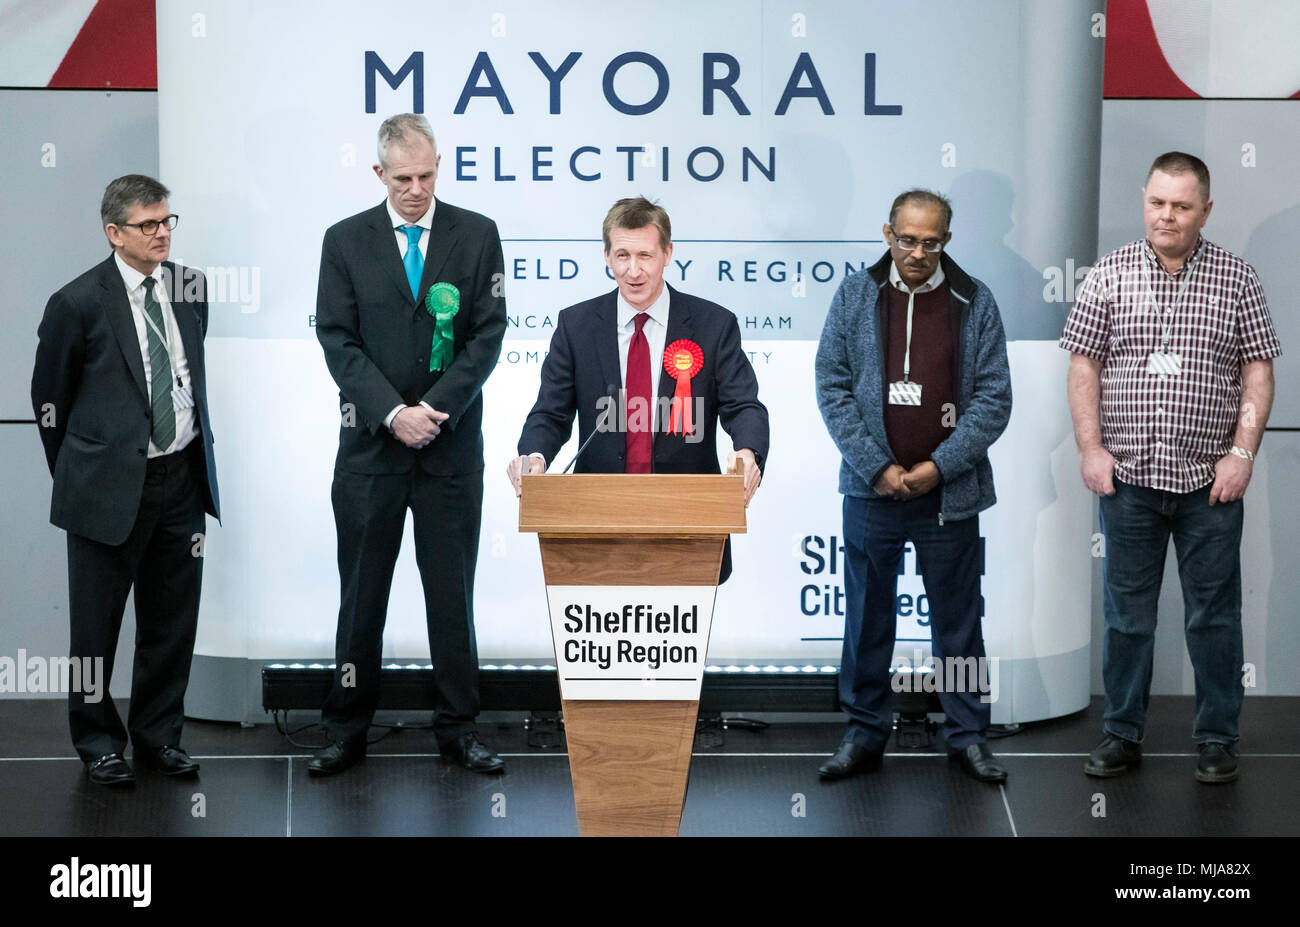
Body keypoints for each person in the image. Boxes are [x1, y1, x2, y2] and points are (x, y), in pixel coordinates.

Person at [1061, 151, 1280, 784]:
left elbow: (1258, 372)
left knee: (1213, 617)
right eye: (1158, 202)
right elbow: (1083, 365)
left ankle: (1216, 739)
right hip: (1126, 478)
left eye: (1182, 206)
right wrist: (1090, 448)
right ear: (1144, 198)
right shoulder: (1107, 275)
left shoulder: (1237, 278)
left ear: (1205, 210)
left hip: (1210, 482)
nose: (1167, 215)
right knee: (1127, 617)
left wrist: (1242, 454)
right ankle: (1121, 733)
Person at [312, 113, 507, 775]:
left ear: (438, 166)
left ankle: (459, 728)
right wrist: (393, 411)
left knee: (452, 595)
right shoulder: (343, 241)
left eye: (427, 175)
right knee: (360, 596)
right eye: (404, 178)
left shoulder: (477, 236)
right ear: (379, 174)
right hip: (370, 450)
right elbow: (337, 340)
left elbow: (487, 335)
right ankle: (344, 727)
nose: (417, 188)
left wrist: (436, 409)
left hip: (450, 450)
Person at [814, 189, 1012, 784]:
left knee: (958, 621)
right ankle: (863, 730)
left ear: (946, 241)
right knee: (867, 618)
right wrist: (877, 467)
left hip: (948, 494)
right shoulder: (854, 295)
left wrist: (940, 466)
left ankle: (968, 734)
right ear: (887, 233)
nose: (917, 253)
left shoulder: (974, 299)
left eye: (931, 242)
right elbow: (832, 384)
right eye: (907, 239)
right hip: (871, 490)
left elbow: (994, 399)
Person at [31, 174, 220, 786]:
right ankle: (97, 742)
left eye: (167, 221)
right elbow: (49, 402)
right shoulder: (77, 302)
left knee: (171, 620)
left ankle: (159, 736)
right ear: (114, 233)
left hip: (181, 478)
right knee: (96, 627)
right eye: (149, 225)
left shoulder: (191, 287)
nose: (162, 233)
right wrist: (82, 472)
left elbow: (188, 373)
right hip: (107, 489)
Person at [507, 197, 768, 580]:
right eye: (623, 255)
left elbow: (744, 405)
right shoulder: (575, 326)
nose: (633, 271)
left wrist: (748, 451)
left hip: (689, 525)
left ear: (667, 253)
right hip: (595, 526)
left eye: (645, 255)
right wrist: (534, 455)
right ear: (607, 257)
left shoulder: (714, 325)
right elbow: (550, 412)